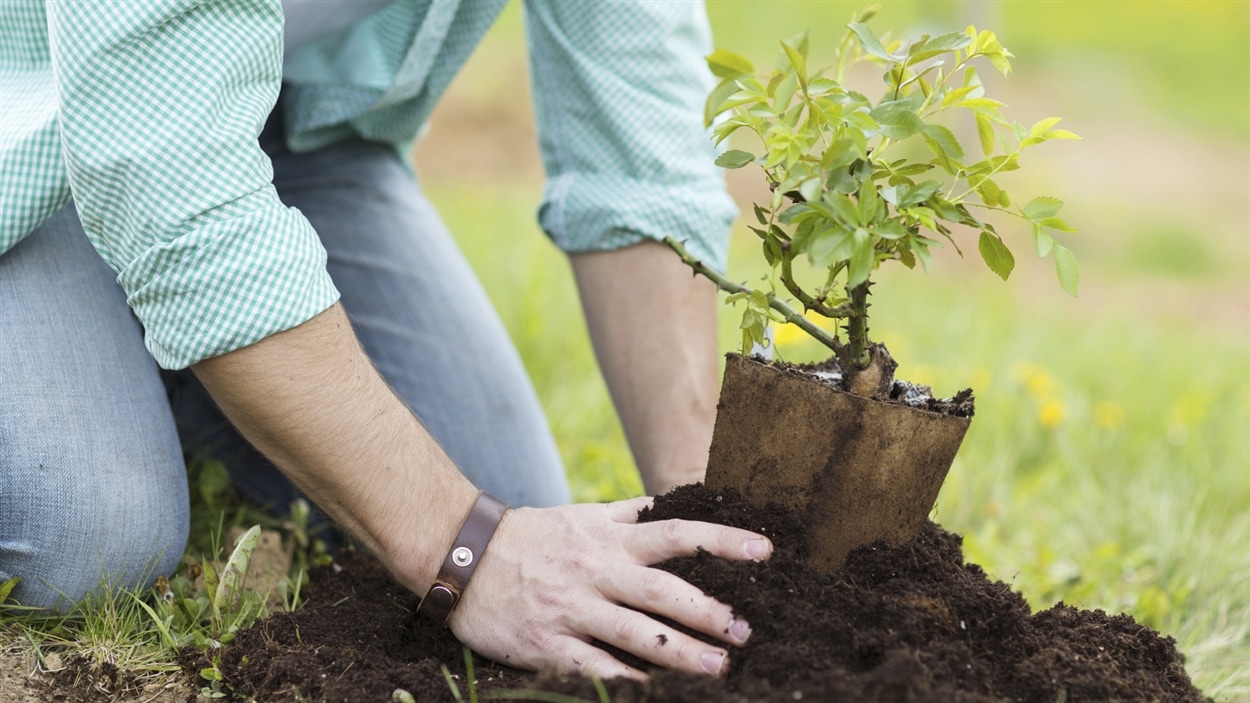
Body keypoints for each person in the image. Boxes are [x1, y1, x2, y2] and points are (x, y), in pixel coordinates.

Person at [0, 0, 773, 680]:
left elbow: (641, 144)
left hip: (296, 128)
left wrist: (708, 528)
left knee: (506, 493)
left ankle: (173, 345)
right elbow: (173, 181)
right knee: (89, 535)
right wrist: (465, 553)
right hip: (36, 103)